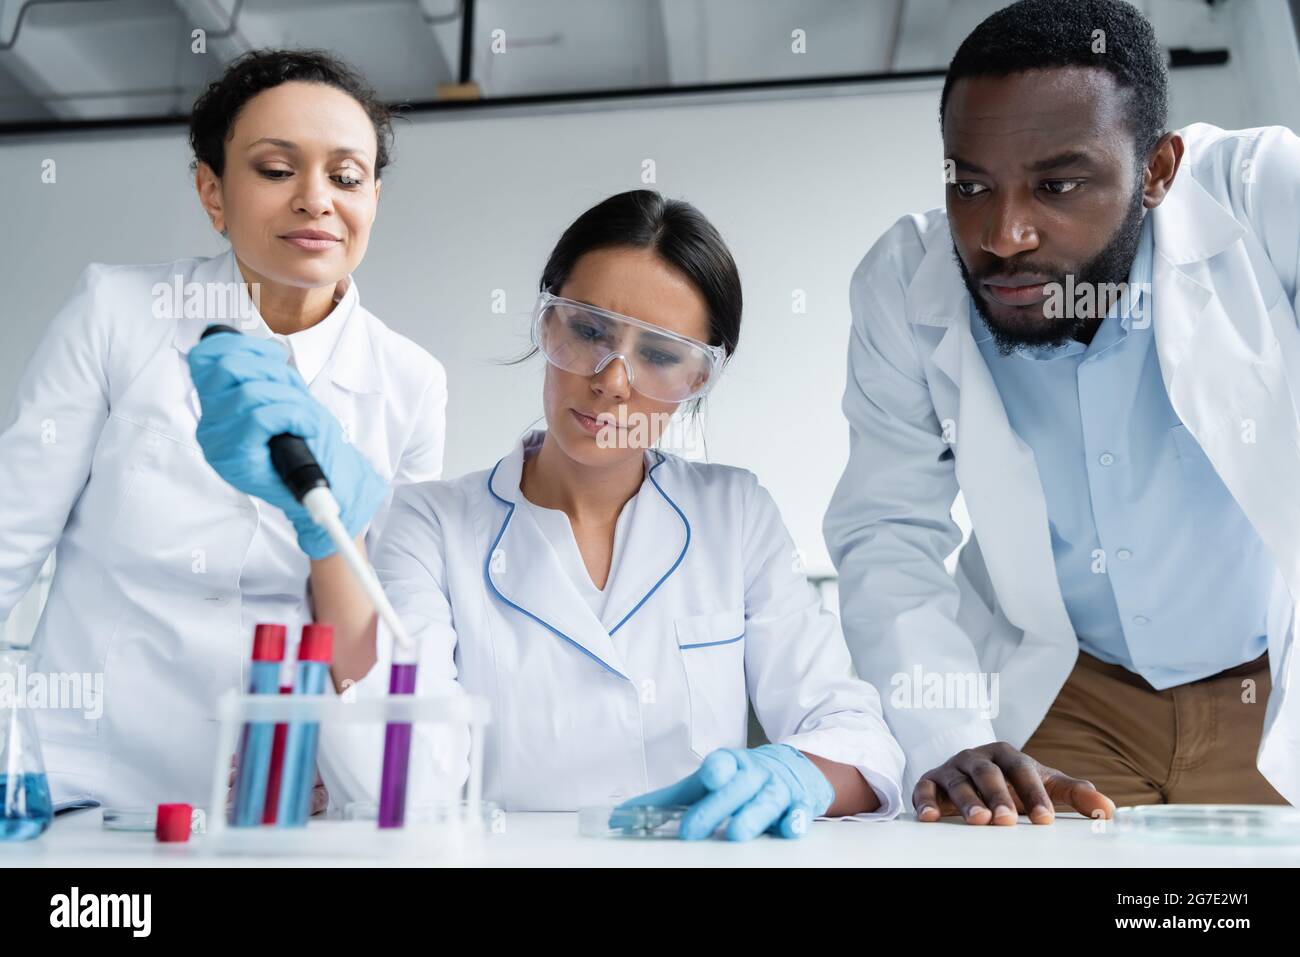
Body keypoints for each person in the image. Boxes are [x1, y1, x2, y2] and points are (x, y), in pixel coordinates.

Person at [192, 190, 905, 840]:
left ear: (697, 382)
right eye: (589, 330)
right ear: (545, 322)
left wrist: (797, 771)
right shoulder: (431, 524)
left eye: (660, 355)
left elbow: (854, 734)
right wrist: (330, 538)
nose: (612, 380)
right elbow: (399, 784)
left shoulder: (734, 513)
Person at [825, 0, 1300, 824]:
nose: (1004, 233)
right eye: (969, 184)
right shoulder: (906, 283)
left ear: (1158, 170)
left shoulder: (1262, 200)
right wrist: (949, 733)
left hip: (1268, 686)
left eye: (1058, 185)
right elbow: (888, 531)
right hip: (1067, 701)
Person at [0, 49, 446, 810]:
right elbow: (10, 538)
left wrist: (340, 747)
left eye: (346, 176)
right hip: (82, 785)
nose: (316, 201)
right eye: (276, 170)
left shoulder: (410, 381)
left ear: (373, 196)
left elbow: (383, 633)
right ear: (213, 191)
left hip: (278, 798)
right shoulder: (117, 315)